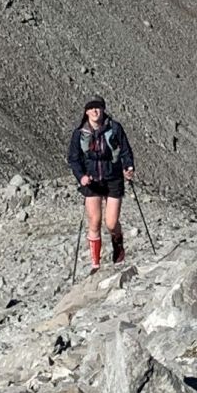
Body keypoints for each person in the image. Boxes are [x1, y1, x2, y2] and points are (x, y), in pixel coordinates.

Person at [67, 94, 136, 268]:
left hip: (113, 178)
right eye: (91, 108)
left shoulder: (115, 128)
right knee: (94, 221)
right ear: (86, 111)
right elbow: (73, 158)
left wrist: (129, 167)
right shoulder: (79, 134)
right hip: (92, 181)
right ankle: (95, 264)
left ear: (103, 109)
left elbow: (126, 151)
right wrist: (80, 176)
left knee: (111, 223)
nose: (95, 111)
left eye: (98, 107)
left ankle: (117, 243)